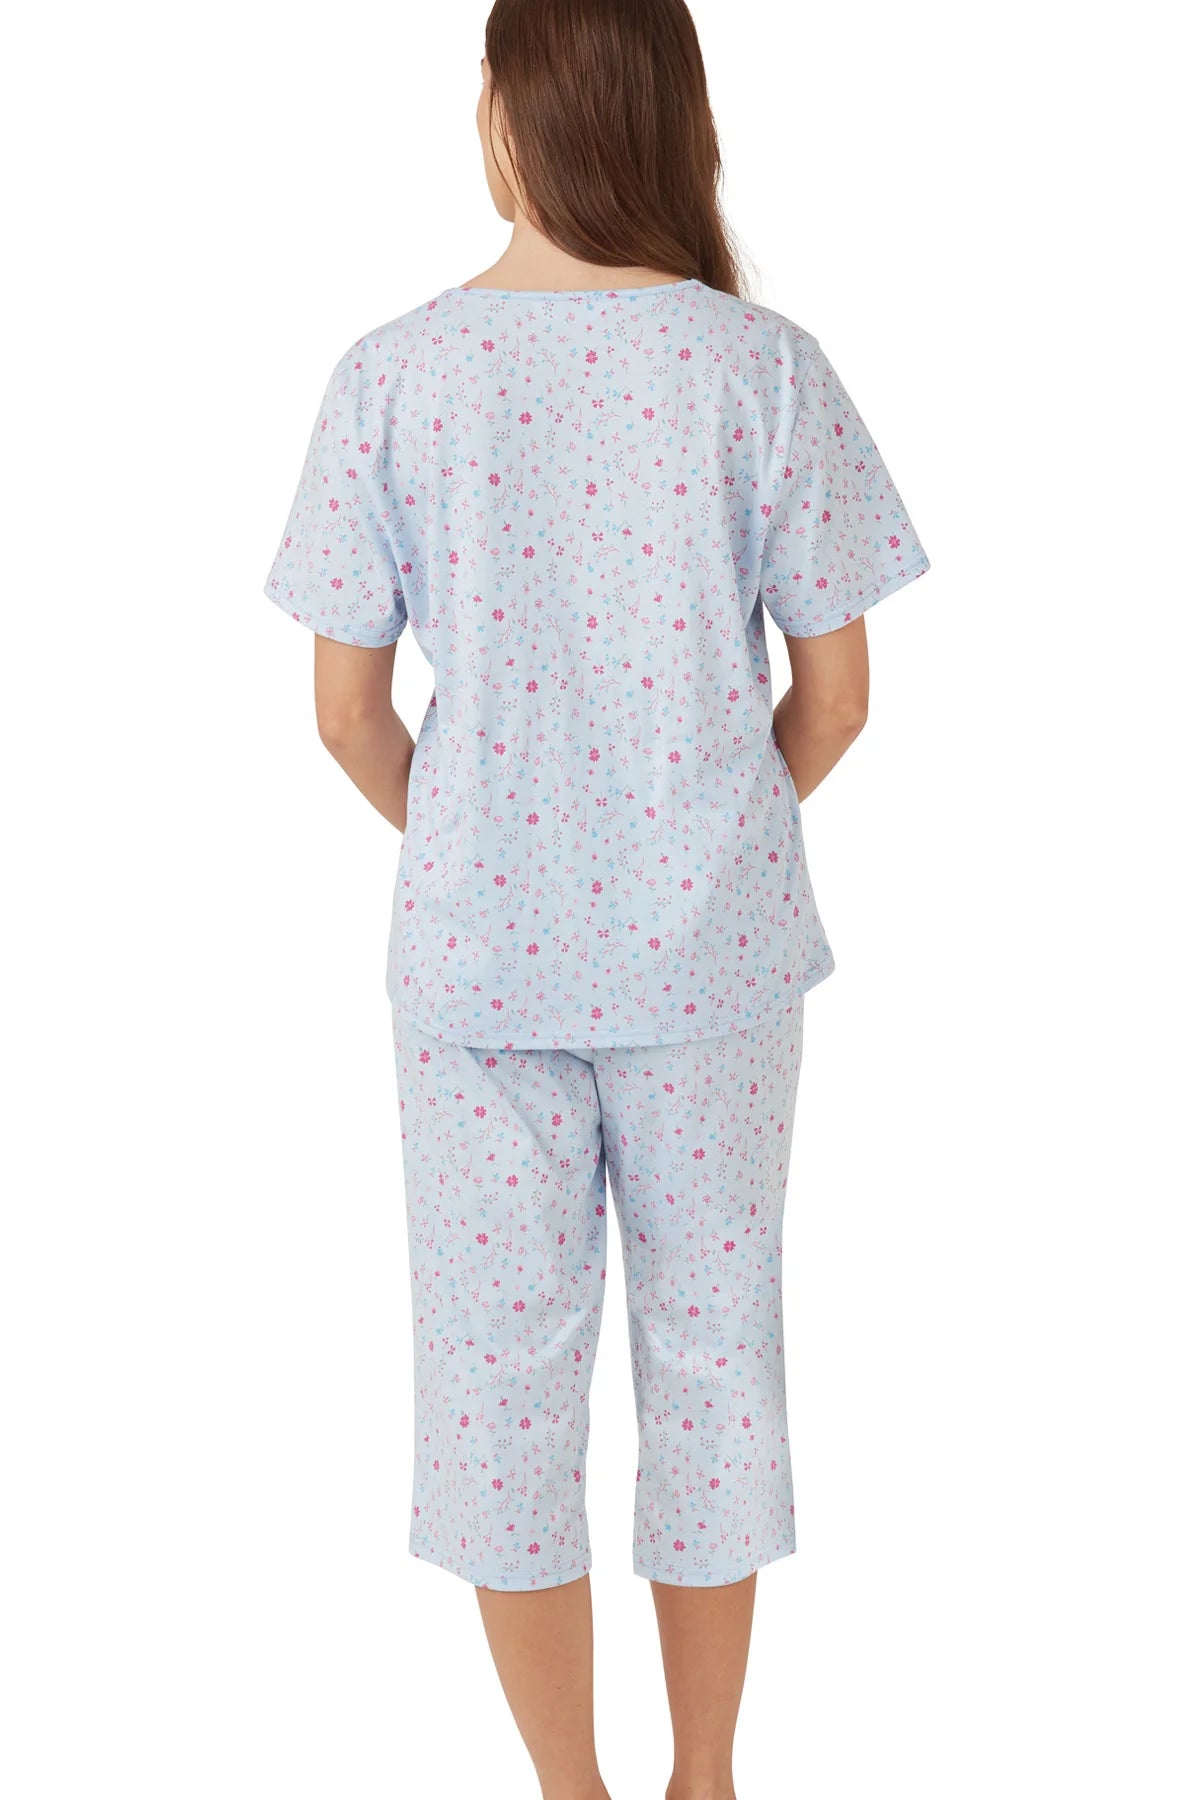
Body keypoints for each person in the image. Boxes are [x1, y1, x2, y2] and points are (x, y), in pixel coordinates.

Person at [261, 2, 931, 1794]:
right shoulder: (761, 367)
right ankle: (708, 1779)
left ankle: (573, 1793)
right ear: (671, 114)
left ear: (500, 107)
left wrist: (482, 837)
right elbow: (840, 700)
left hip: (477, 964)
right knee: (717, 1360)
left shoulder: (392, 375)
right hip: (714, 959)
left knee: (499, 1387)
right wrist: (695, 838)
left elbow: (344, 716)